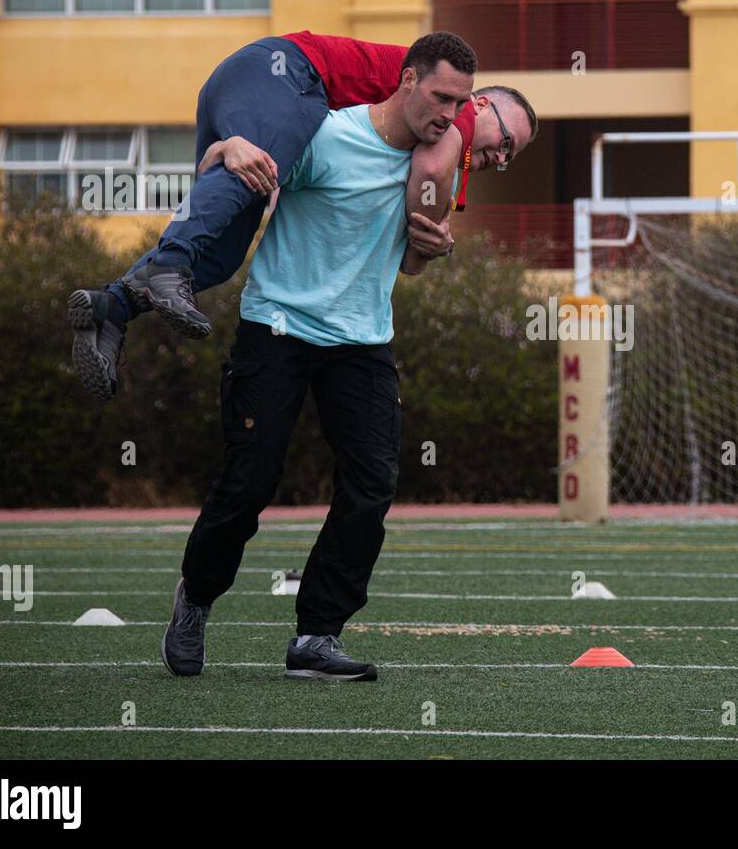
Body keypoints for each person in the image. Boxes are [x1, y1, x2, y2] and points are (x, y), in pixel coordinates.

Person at [158, 37, 537, 681]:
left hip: (361, 341)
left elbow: (413, 262)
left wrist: (434, 244)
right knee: (249, 483)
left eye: (462, 104)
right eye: (443, 97)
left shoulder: (437, 171)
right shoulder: (329, 134)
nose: (453, 115)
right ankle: (195, 599)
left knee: (371, 488)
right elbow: (239, 185)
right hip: (276, 326)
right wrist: (225, 146)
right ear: (408, 80)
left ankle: (317, 636)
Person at [67, 30, 532, 400]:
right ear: (484, 103)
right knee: (259, 165)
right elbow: (431, 171)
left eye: (513, 157)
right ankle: (168, 262)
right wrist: (428, 241)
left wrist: (226, 146)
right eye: (507, 141)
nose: (502, 157)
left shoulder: (442, 111)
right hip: (285, 73)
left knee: (225, 249)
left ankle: (113, 306)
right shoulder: (460, 105)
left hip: (253, 84)